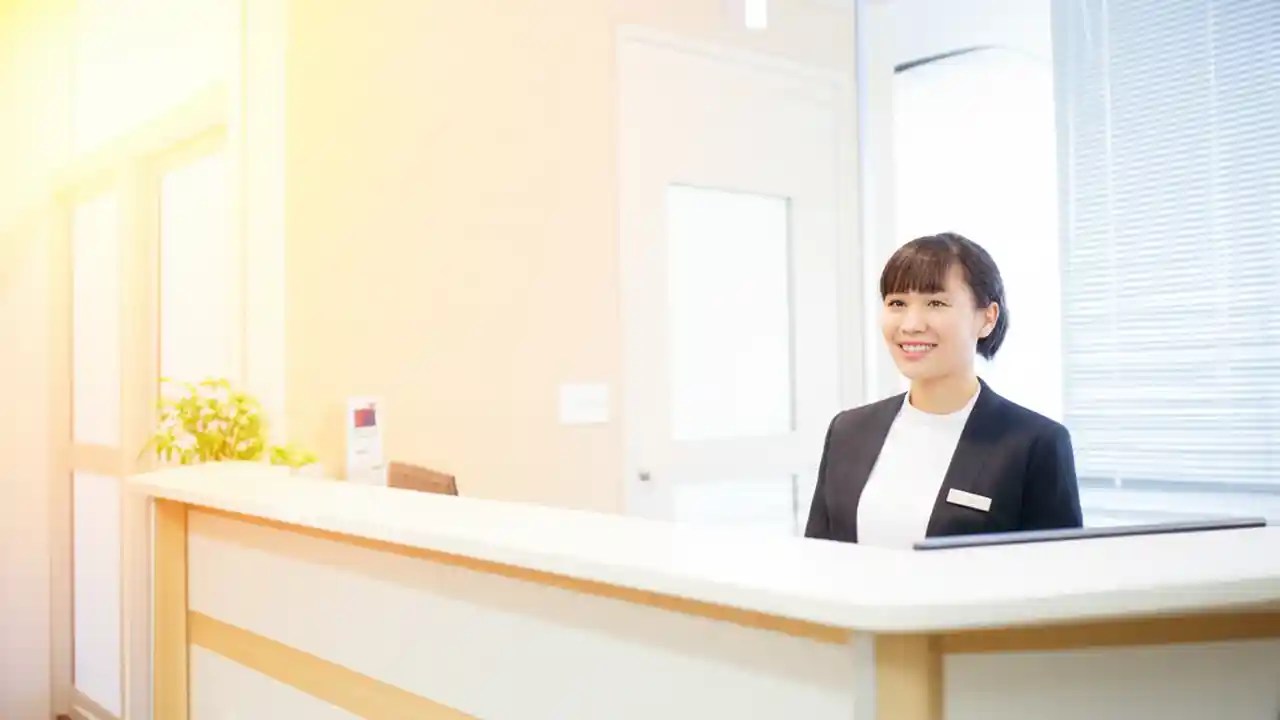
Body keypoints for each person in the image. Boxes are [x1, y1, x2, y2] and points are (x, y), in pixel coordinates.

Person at [805, 232, 1081, 547]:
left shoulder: (1035, 443)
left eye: (935, 302)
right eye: (897, 303)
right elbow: (819, 558)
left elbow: (1055, 578)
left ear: (987, 318)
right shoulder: (848, 430)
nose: (910, 324)